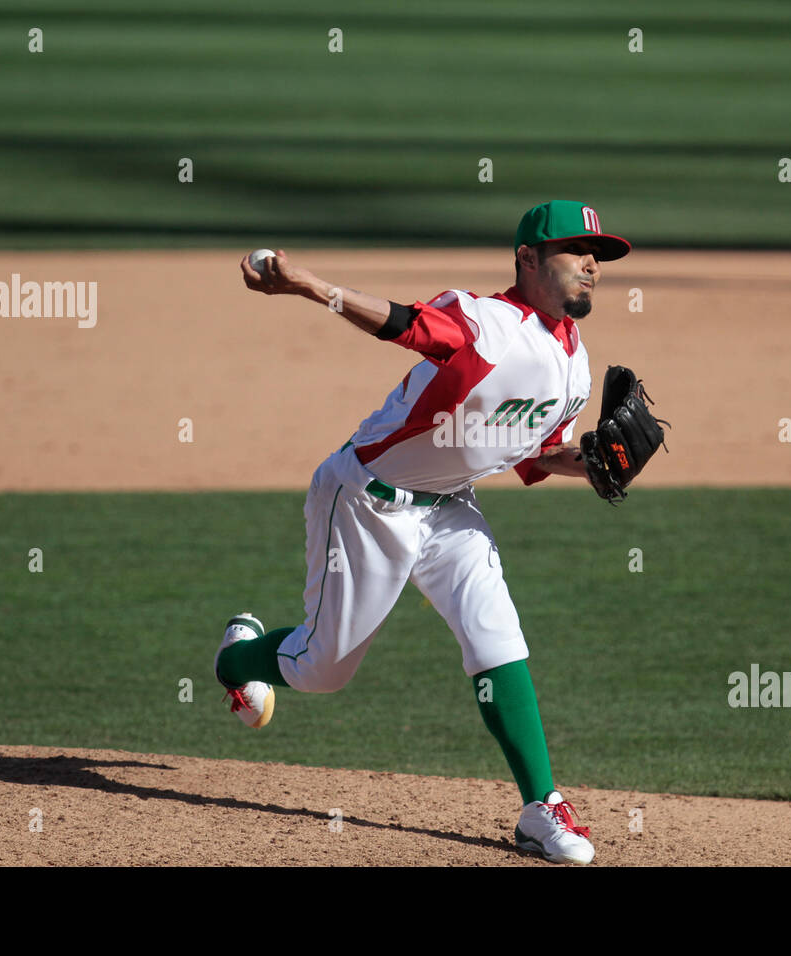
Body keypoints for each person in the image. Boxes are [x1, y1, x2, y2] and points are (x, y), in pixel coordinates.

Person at [213, 200, 631, 864]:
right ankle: (238, 659)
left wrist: (591, 464)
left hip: (448, 509)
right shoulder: (484, 322)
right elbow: (404, 325)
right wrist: (308, 287)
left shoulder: (575, 365)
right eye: (575, 250)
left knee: (497, 632)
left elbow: (532, 453)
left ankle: (541, 809)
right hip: (365, 501)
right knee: (323, 671)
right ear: (527, 258)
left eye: (599, 255)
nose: (591, 264)